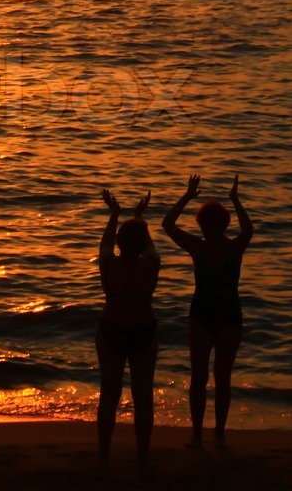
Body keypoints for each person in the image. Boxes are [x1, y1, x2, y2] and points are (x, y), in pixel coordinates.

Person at [161, 174, 253, 450]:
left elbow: (248, 230)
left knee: (221, 377)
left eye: (212, 223)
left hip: (227, 317)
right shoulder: (200, 247)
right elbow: (168, 225)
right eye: (206, 223)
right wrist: (187, 196)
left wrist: (236, 200)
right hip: (202, 315)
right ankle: (199, 433)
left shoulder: (232, 247)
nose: (208, 228)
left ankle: (218, 433)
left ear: (220, 224)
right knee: (200, 376)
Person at [97, 188, 160, 469]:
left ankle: (103, 454)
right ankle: (143, 455)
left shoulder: (109, 265)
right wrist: (138, 217)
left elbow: (105, 242)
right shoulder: (151, 265)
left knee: (109, 394)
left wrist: (115, 214)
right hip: (143, 329)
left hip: (112, 329)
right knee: (143, 396)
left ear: (121, 243)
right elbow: (148, 245)